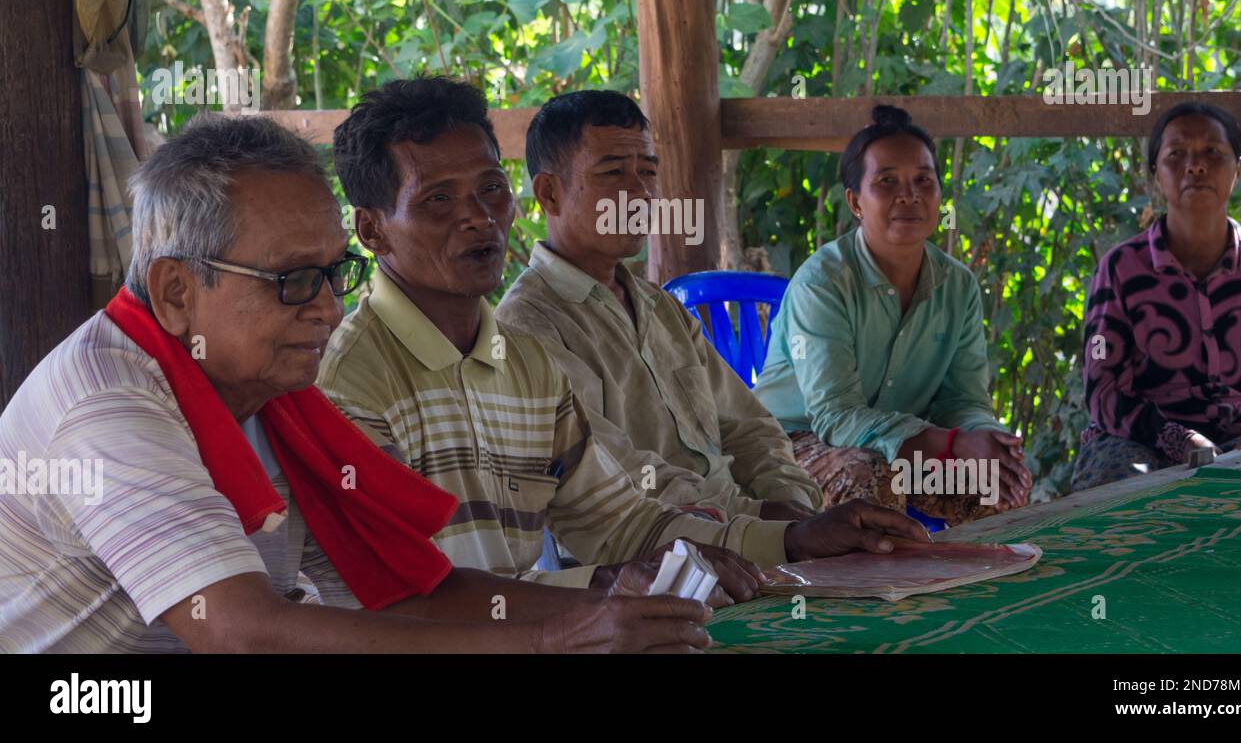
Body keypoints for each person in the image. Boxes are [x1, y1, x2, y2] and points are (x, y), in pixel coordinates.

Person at [0, 114, 714, 653]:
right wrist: (552, 641)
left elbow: (401, 589)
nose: (330, 306)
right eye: (293, 281)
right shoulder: (111, 402)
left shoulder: (276, 402)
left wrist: (600, 608)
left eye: (335, 273)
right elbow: (244, 630)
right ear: (177, 290)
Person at [318, 76, 930, 598]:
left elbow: (619, 519)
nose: (477, 216)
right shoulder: (356, 381)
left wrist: (793, 534)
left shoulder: (526, 360)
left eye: (489, 189)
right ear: (371, 231)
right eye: (437, 199)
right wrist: (601, 590)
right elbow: (410, 599)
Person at [497, 90, 822, 526]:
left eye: (648, 171)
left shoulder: (661, 307)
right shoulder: (528, 325)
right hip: (641, 559)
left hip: (743, 533)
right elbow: (611, 473)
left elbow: (748, 427)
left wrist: (794, 506)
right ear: (549, 194)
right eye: (613, 173)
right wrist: (761, 522)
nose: (640, 193)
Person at [755, 104, 1031, 523]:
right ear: (855, 201)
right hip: (792, 438)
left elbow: (963, 399)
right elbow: (836, 415)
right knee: (867, 483)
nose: (910, 195)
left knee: (994, 485)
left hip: (900, 446)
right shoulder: (823, 281)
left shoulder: (956, 286)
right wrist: (954, 444)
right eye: (887, 181)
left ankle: (967, 589)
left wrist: (987, 439)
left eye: (924, 180)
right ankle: (873, 592)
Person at [1072, 102, 1241, 490]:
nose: (1195, 166)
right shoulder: (1120, 270)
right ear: (1154, 176)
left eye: (1213, 152)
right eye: (1176, 154)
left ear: (1238, 170)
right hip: (1144, 444)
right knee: (1116, 492)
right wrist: (1178, 438)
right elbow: (1103, 390)